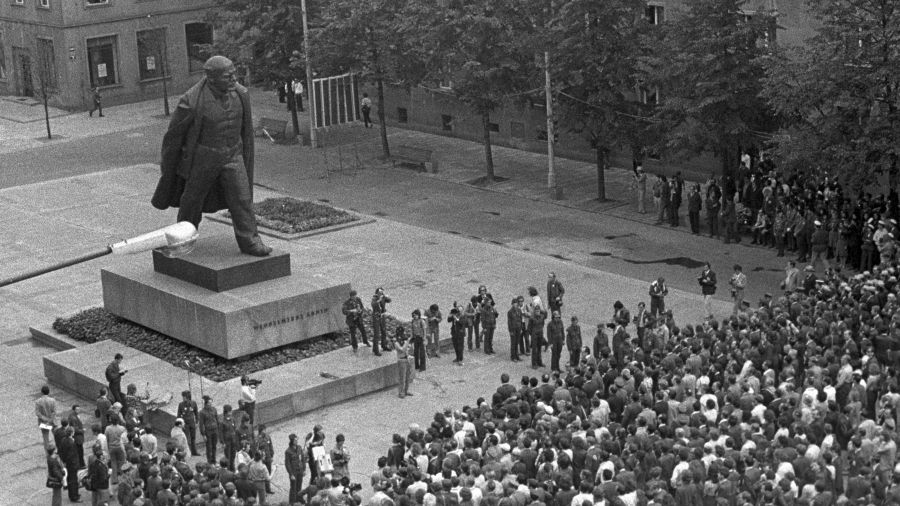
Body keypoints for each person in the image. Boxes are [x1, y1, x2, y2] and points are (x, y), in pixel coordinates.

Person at [152, 55, 272, 257]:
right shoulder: (191, 101)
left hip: (233, 155)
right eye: (228, 76)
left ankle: (250, 241)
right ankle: (182, 239)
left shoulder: (241, 94)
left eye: (234, 74)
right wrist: (168, 168)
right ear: (211, 77)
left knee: (242, 198)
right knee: (192, 201)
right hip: (204, 158)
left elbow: (246, 131)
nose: (234, 79)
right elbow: (173, 137)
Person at [58, 426, 81, 502]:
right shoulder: (71, 443)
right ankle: (74, 496)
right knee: (74, 480)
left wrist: (64, 461)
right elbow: (72, 455)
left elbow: (60, 451)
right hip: (72, 464)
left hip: (67, 463)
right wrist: (76, 464)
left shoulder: (63, 440)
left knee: (70, 479)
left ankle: (72, 494)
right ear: (71, 433)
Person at [285, 433, 308, 504]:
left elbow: (303, 459)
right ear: (292, 441)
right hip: (293, 472)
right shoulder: (288, 451)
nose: (297, 441)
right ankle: (292, 501)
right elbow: (287, 464)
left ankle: (298, 498)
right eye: (295, 440)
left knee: (299, 486)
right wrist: (291, 474)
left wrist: (304, 469)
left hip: (300, 470)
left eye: (297, 439)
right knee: (293, 487)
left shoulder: (299, 448)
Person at [176, 390, 199, 456]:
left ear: (187, 397)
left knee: (193, 438)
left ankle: (194, 452)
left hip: (192, 423)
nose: (183, 398)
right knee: (185, 438)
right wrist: (179, 424)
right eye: (183, 397)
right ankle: (186, 452)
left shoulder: (193, 403)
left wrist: (197, 421)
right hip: (185, 424)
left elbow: (196, 413)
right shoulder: (181, 405)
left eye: (184, 397)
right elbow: (178, 415)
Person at [198, 395, 219, 464]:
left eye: (211, 403)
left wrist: (218, 429)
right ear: (206, 404)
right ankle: (209, 461)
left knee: (214, 446)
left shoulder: (214, 409)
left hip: (215, 430)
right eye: (209, 403)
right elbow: (201, 424)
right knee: (209, 447)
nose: (210, 404)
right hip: (208, 432)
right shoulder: (202, 412)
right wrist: (203, 434)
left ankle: (214, 459)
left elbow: (217, 419)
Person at [35, 385, 57, 451]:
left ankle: (48, 453)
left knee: (46, 438)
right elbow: (54, 412)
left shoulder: (38, 401)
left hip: (43, 422)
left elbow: (38, 413)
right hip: (52, 422)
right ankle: (59, 450)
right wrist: (50, 420)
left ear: (41, 392)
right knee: (56, 436)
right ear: (49, 392)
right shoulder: (53, 400)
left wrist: (45, 419)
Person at [371, 287, 391, 355]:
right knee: (376, 334)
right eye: (380, 292)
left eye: (382, 292)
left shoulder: (383, 297)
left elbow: (389, 300)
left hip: (382, 316)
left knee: (384, 331)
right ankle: (375, 349)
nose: (381, 293)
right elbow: (373, 305)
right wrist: (379, 300)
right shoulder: (374, 298)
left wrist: (386, 297)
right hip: (376, 317)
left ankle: (384, 345)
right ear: (377, 293)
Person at [395, 327, 413, 397]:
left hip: (406, 359)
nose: (402, 335)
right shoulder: (396, 343)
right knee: (402, 377)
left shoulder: (404, 341)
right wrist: (407, 342)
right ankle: (401, 392)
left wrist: (409, 343)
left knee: (408, 376)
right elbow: (402, 350)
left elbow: (408, 349)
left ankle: (406, 390)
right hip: (401, 360)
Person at [507, 297, 523, 362]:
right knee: (513, 343)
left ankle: (517, 355)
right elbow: (509, 322)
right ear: (512, 304)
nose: (515, 305)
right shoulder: (510, 312)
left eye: (516, 303)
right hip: (513, 329)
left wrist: (521, 328)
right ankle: (513, 356)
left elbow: (520, 319)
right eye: (514, 304)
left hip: (518, 328)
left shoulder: (519, 310)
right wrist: (510, 330)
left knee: (517, 342)